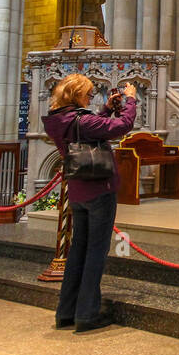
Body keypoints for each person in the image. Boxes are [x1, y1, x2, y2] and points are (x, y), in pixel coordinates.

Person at [42, 74, 138, 332]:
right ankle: (87, 314)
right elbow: (122, 126)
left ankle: (66, 311)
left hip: (78, 191)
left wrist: (106, 109)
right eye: (87, 94)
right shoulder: (82, 121)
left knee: (78, 251)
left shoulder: (59, 120)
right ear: (75, 96)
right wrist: (130, 101)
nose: (89, 97)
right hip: (99, 190)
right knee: (95, 252)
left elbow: (88, 128)